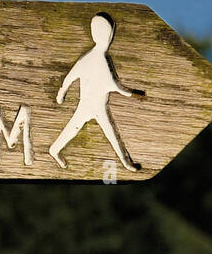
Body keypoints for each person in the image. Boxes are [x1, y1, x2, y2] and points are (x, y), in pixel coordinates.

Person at [48, 13, 144, 170]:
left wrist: (62, 92)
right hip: (88, 105)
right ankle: (54, 150)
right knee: (83, 130)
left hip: (96, 106)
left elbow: (70, 77)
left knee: (106, 133)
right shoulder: (97, 60)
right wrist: (134, 94)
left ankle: (126, 162)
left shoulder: (89, 58)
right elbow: (116, 86)